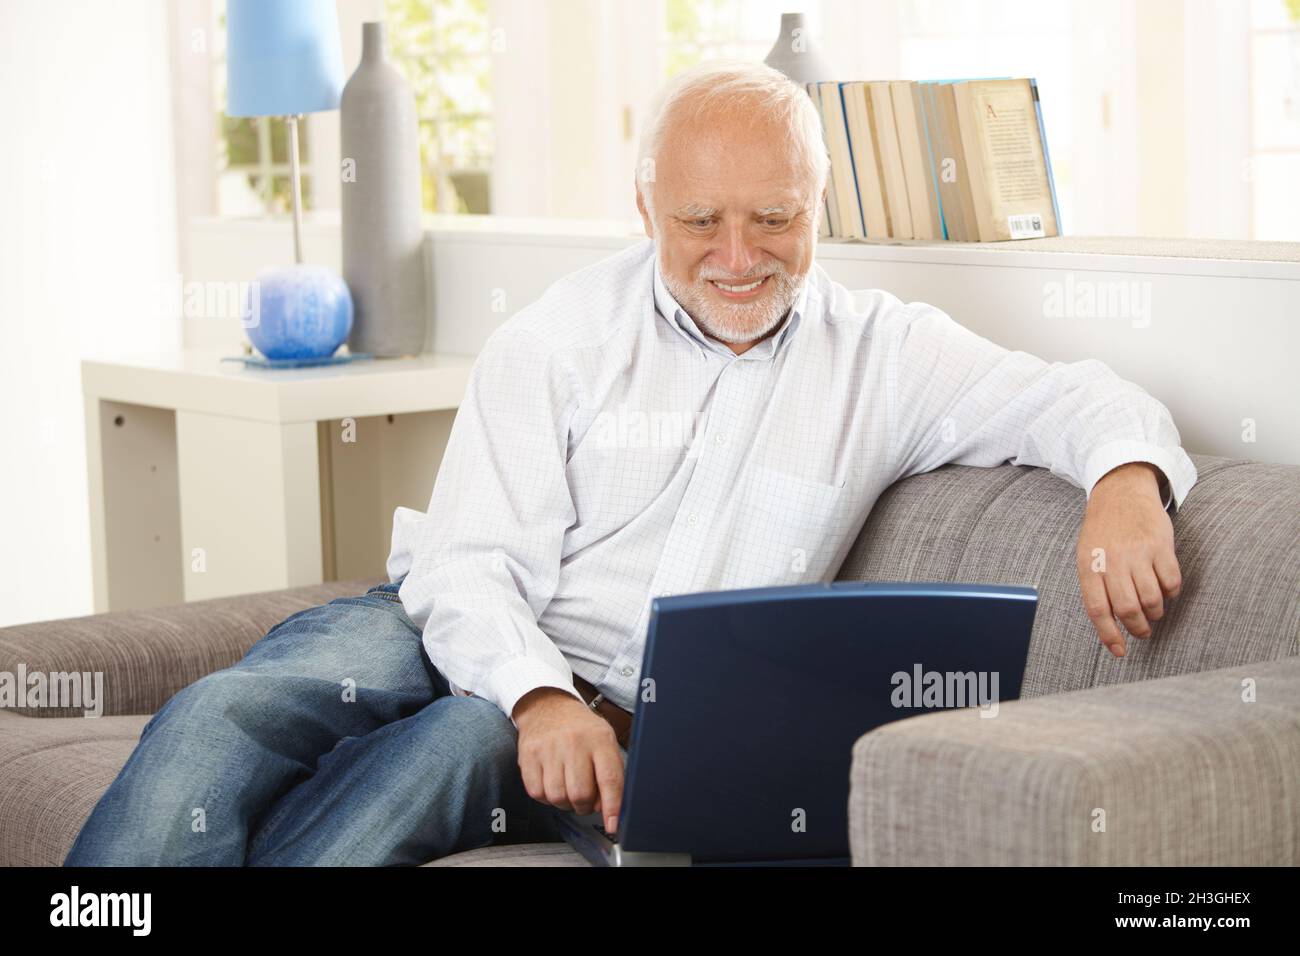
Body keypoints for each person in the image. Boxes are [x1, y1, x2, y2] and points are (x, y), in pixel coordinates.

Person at [66, 59, 1194, 866]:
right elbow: (467, 568)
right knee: (226, 712)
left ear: (818, 208)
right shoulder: (556, 338)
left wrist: (1123, 480)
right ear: (645, 201)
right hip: (446, 610)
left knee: (454, 745)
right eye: (700, 218)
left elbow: (1078, 398)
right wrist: (541, 692)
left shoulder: (883, 356)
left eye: (773, 218)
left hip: (624, 710)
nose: (738, 257)